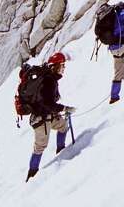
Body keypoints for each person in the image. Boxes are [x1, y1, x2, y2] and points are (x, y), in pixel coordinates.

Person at [26, 52, 75, 182]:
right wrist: (63, 108)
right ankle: (31, 176)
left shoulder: (50, 78)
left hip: (46, 115)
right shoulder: (49, 81)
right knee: (40, 145)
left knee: (63, 126)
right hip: (41, 118)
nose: (64, 68)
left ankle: (61, 152)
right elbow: (47, 103)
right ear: (56, 66)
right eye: (62, 65)